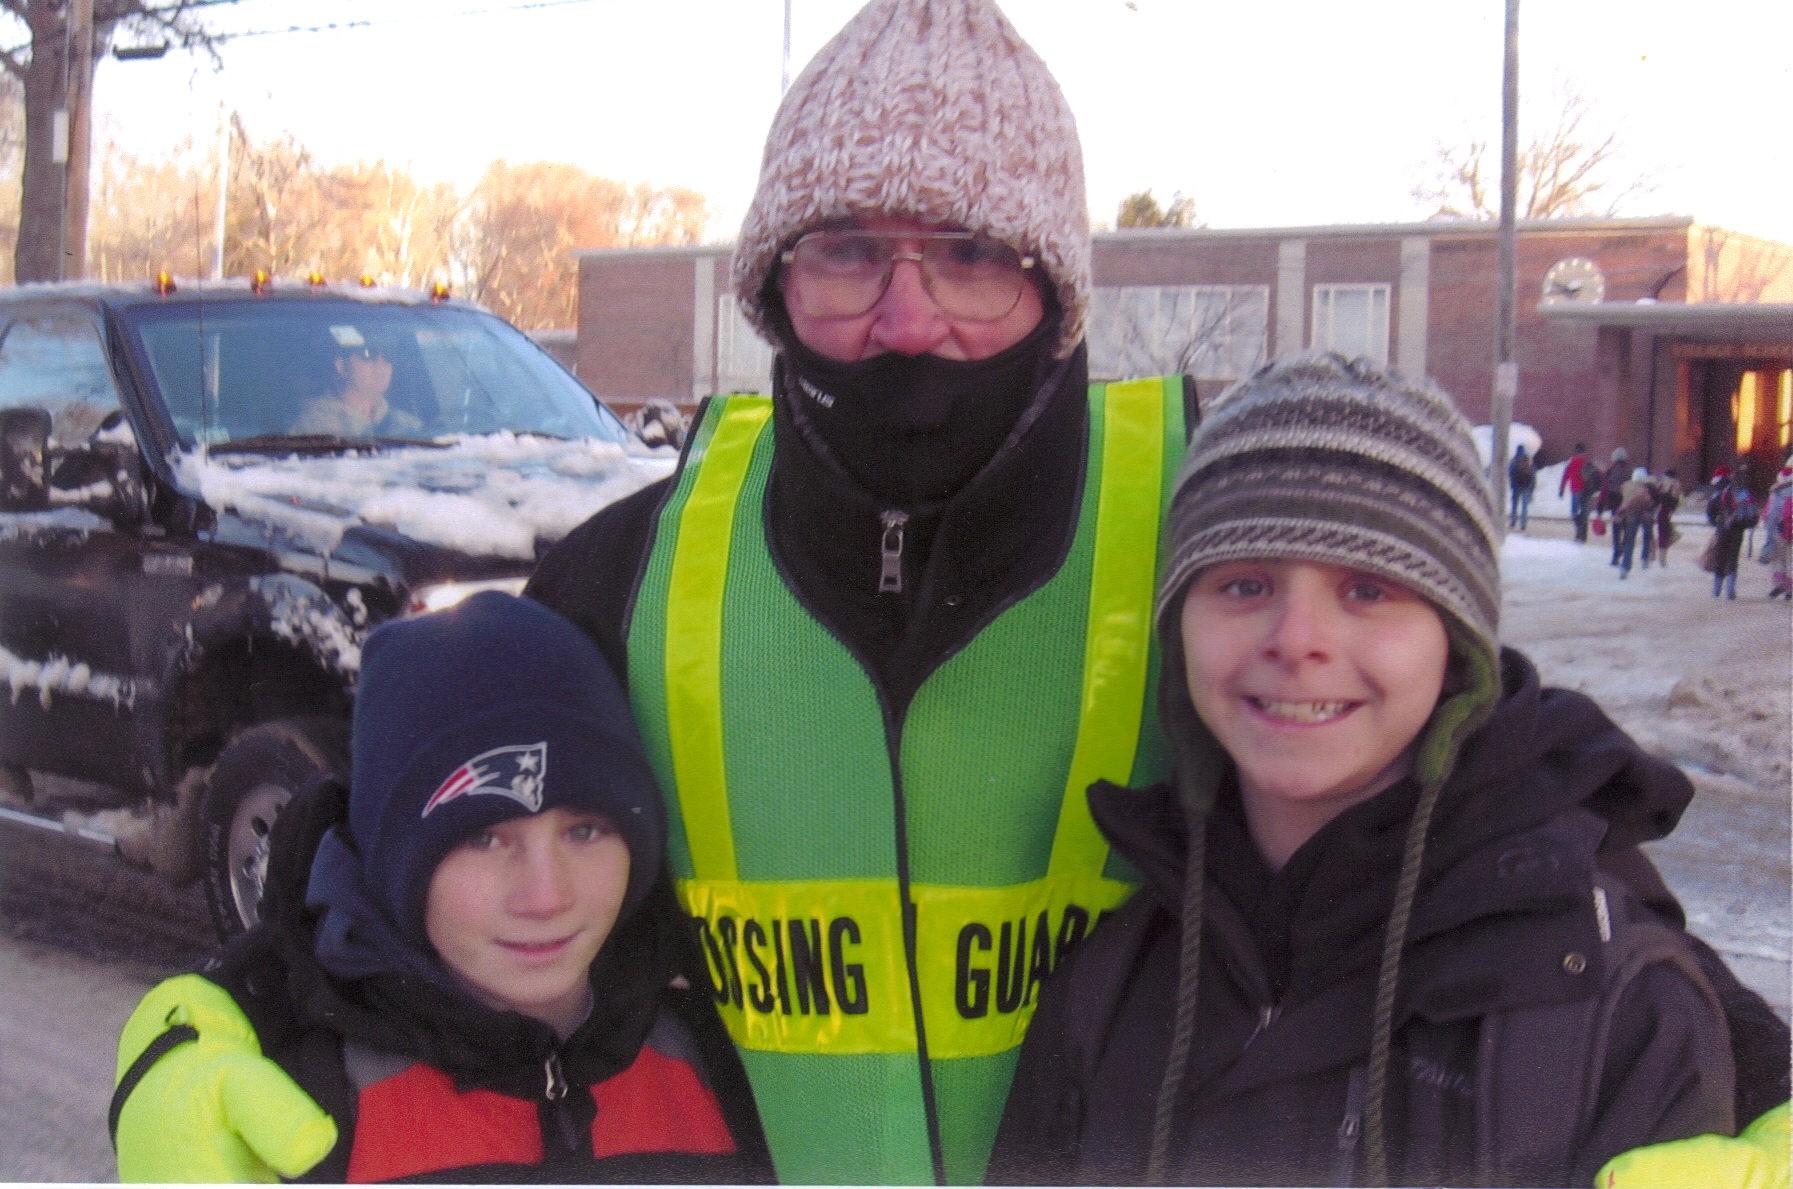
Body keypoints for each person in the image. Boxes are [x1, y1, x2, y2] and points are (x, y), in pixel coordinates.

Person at [105, 1, 1790, 1183]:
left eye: (972, 256)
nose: (906, 317)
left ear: (1056, 291)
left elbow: (1493, 822)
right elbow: (420, 834)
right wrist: (220, 1017)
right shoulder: (644, 562)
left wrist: (1751, 1082)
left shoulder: (1209, 527)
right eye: (848, 252)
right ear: (772, 283)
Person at [989, 354, 1741, 1187]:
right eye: (1244, 583)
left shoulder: (1610, 1006)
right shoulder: (1113, 976)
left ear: (1454, 645)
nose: (1295, 639)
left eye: (1367, 590)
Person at [113, 592, 767, 1181]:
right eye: (483, 838)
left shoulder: (730, 1049)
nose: (546, 896)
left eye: (585, 831)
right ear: (394, 857)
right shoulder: (296, 1093)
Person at [291, 332, 424, 437]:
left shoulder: (409, 426)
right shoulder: (313, 427)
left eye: (389, 356)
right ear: (341, 366)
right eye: (368, 355)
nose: (381, 366)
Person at [1705, 466, 1752, 599]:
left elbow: (1710, 511)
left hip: (1723, 528)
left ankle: (1716, 589)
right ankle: (1730, 589)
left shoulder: (1717, 491)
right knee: (1733, 557)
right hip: (1738, 529)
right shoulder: (1740, 490)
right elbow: (1749, 509)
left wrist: (1716, 523)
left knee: (1720, 557)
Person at [1615, 465, 1658, 577]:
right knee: (1647, 536)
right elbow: (1654, 501)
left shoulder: (1626, 486)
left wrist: (1620, 512)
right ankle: (1645, 558)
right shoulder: (1648, 487)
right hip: (1646, 514)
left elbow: (1623, 499)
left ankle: (1625, 567)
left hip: (1631, 514)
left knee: (1629, 541)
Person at [1758, 464, 1792, 600]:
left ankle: (1782, 586)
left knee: (1779, 559)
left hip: (1777, 529)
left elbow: (1768, 510)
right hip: (1784, 529)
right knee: (1787, 559)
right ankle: (1786, 587)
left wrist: (1766, 520)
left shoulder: (1775, 492)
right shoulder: (1776, 492)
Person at [1600, 447, 1632, 564]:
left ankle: (1616, 555)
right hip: (1627, 504)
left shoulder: (1611, 471)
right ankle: (1623, 548)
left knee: (1616, 530)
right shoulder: (1630, 471)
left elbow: (1605, 489)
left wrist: (1600, 507)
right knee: (1627, 529)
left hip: (1615, 504)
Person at [1560, 442, 1593, 541]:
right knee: (1584, 512)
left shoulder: (1572, 461)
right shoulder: (1587, 461)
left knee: (1575, 513)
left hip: (1575, 490)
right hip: (1586, 490)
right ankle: (1583, 535)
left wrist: (1561, 489)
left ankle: (1579, 531)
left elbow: (1565, 475)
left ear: (1576, 450)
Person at [1653, 468, 1684, 567]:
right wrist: (1672, 510)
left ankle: (1657, 554)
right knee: (1665, 534)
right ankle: (1662, 558)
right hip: (1666, 511)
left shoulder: (1661, 483)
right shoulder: (1675, 485)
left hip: (1660, 510)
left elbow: (1656, 496)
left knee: (1662, 533)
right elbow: (1676, 499)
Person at [1506, 442, 1536, 531]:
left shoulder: (1514, 460)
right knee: (1524, 506)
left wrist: (1512, 484)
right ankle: (1523, 524)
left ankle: (1513, 521)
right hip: (1526, 486)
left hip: (1516, 486)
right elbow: (1533, 475)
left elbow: (1510, 473)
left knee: (1514, 505)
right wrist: (1531, 489)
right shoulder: (1528, 461)